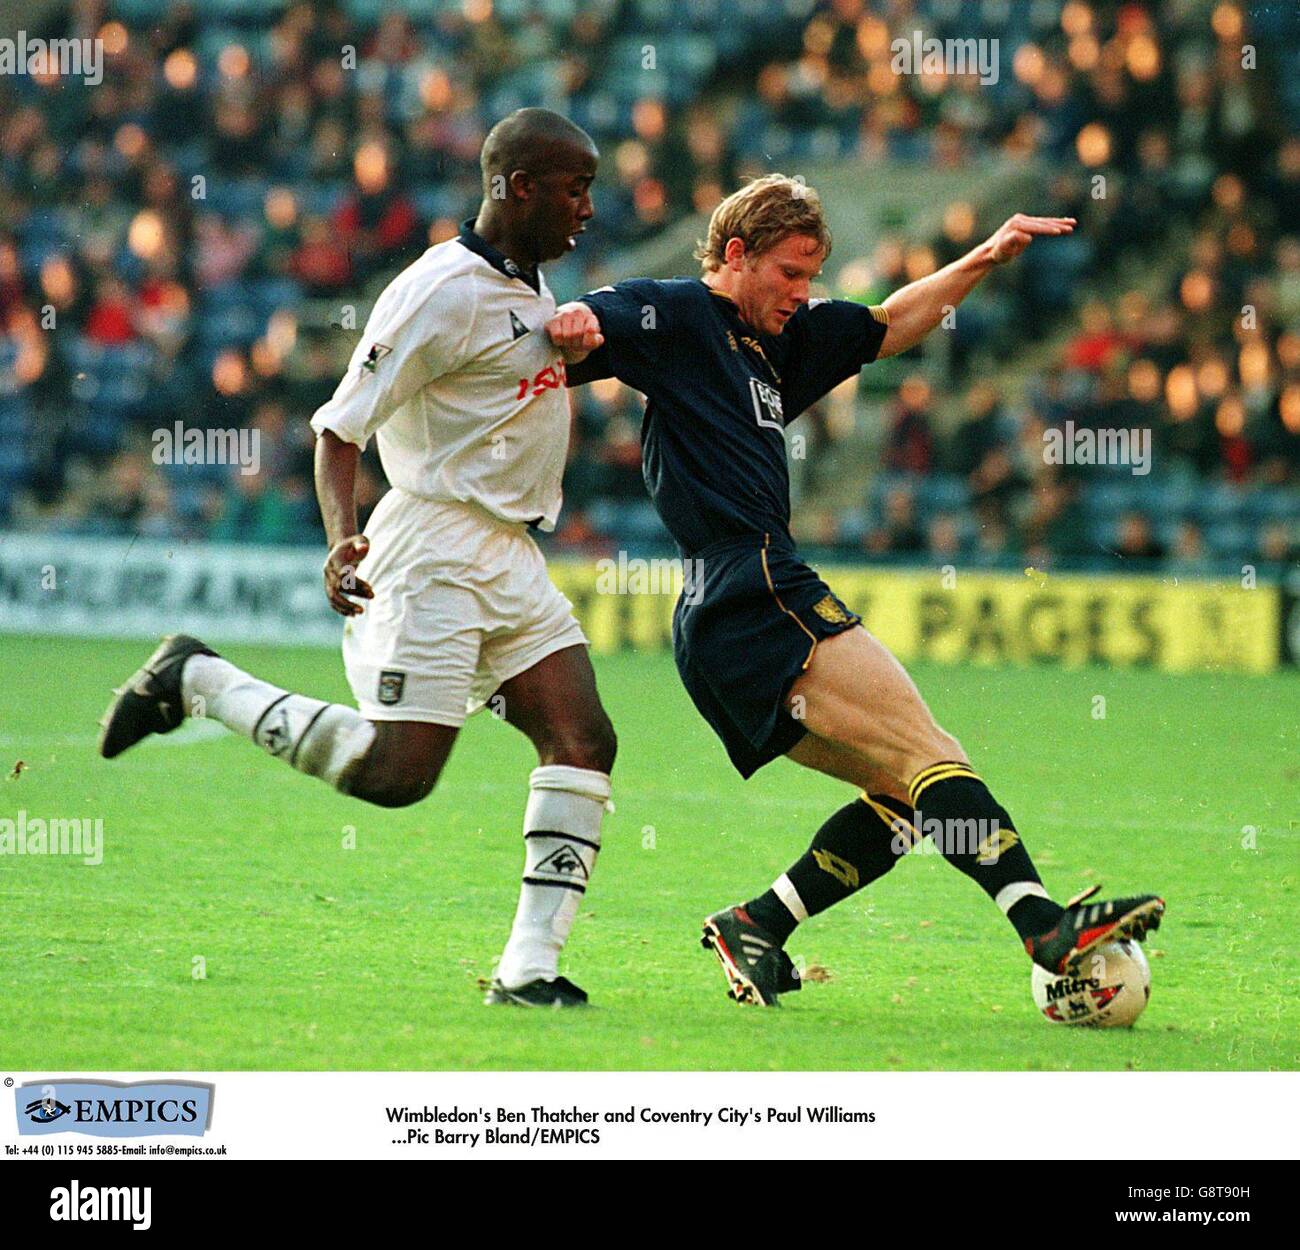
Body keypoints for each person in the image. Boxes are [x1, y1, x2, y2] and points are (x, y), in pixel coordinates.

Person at [547, 174, 1163, 1006]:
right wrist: (575, 326)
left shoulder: (779, 347)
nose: (805, 296)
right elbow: (575, 328)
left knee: (907, 794)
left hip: (721, 615)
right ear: (737, 255)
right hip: (752, 586)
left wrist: (984, 254)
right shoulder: (681, 315)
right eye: (792, 275)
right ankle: (1044, 928)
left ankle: (759, 923)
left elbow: (888, 323)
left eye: (813, 277)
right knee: (933, 758)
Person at [99, 109, 616, 1008]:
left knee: (584, 738)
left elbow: (500, 389)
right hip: (435, 548)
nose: (587, 208)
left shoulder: (532, 287)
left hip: (511, 555)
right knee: (397, 776)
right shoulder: (436, 291)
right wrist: (342, 534)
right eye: (575, 188)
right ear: (516, 185)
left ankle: (528, 971)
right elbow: (340, 428)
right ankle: (199, 680)